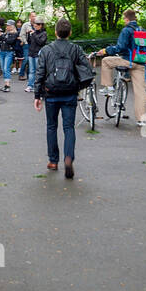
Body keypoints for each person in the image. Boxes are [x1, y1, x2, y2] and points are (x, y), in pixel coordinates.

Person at [34, 18, 93, 179]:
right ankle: (68, 157)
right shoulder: (75, 49)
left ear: (55, 32)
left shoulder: (46, 50)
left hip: (51, 92)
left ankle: (53, 160)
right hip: (69, 93)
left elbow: (39, 73)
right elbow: (87, 69)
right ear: (70, 33)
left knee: (51, 126)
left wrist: (37, 95)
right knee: (69, 127)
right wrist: (78, 85)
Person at [95, 9, 146, 127]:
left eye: (124, 19)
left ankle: (109, 87)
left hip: (127, 61)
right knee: (140, 92)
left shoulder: (126, 30)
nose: (124, 21)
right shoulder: (143, 30)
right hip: (140, 63)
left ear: (127, 19)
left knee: (105, 61)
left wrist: (105, 51)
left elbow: (121, 47)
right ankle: (141, 119)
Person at [26, 19, 49, 92]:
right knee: (31, 71)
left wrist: (34, 35)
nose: (35, 25)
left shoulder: (44, 33)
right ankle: (30, 85)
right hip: (31, 53)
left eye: (37, 24)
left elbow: (41, 42)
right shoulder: (34, 33)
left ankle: (38, 86)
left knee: (38, 71)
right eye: (35, 24)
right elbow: (30, 42)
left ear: (41, 25)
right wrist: (29, 35)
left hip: (38, 54)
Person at [0, 18, 17, 92]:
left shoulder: (14, 34)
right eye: (7, 25)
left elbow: (10, 41)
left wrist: (2, 36)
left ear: (12, 26)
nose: (7, 27)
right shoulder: (5, 33)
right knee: (3, 69)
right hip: (2, 51)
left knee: (6, 68)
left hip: (9, 52)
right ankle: (5, 84)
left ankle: (7, 85)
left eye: (8, 25)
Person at [18, 10, 37, 82]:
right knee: (26, 59)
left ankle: (30, 75)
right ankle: (21, 74)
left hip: (34, 45)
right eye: (32, 16)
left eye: (35, 16)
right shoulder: (26, 25)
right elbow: (21, 34)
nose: (34, 17)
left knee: (31, 60)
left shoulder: (37, 24)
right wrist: (25, 42)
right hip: (27, 44)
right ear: (30, 17)